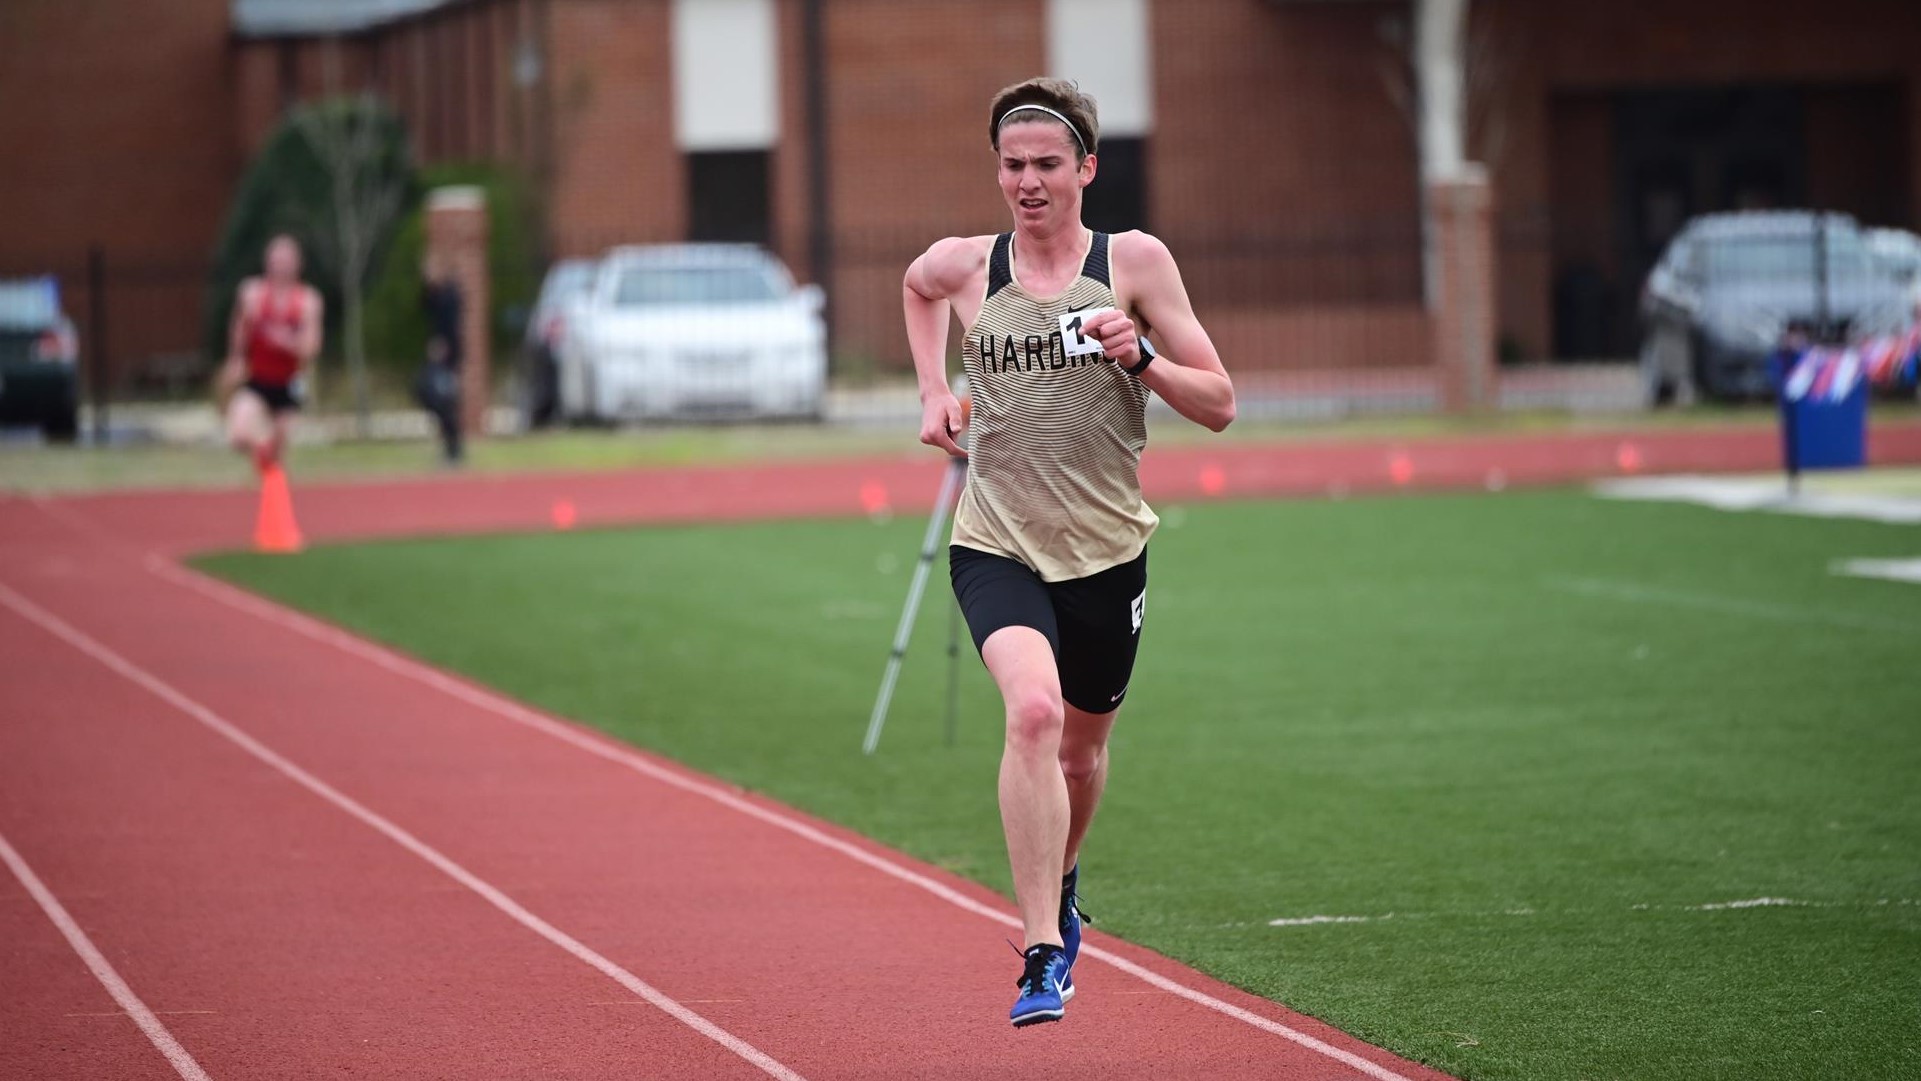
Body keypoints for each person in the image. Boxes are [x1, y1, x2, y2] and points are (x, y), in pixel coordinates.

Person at [901, 78, 1235, 1027]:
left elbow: (1220, 404)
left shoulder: (1133, 262)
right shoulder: (968, 264)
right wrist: (932, 391)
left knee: (1081, 758)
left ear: (1086, 168)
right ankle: (1042, 949)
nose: (1028, 181)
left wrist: (1141, 358)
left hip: (1105, 555)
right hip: (996, 544)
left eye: (1047, 163)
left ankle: (1064, 876)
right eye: (1012, 165)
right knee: (1035, 713)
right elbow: (916, 286)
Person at [219, 234, 322, 471]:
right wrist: (236, 358)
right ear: (267, 262)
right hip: (258, 379)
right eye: (277, 261)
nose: (281, 267)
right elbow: (239, 327)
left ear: (298, 264)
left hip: (290, 384)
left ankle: (274, 489)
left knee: (277, 454)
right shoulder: (252, 293)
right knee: (239, 436)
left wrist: (288, 342)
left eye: (287, 261)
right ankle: (262, 448)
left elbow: (312, 347)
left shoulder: (308, 300)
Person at [417, 253, 465, 464]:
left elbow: (450, 325)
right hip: (441, 355)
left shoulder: (450, 294)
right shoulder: (435, 294)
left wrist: (443, 345)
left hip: (447, 356)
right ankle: (451, 446)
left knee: (443, 398)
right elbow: (424, 306)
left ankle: (454, 449)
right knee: (428, 392)